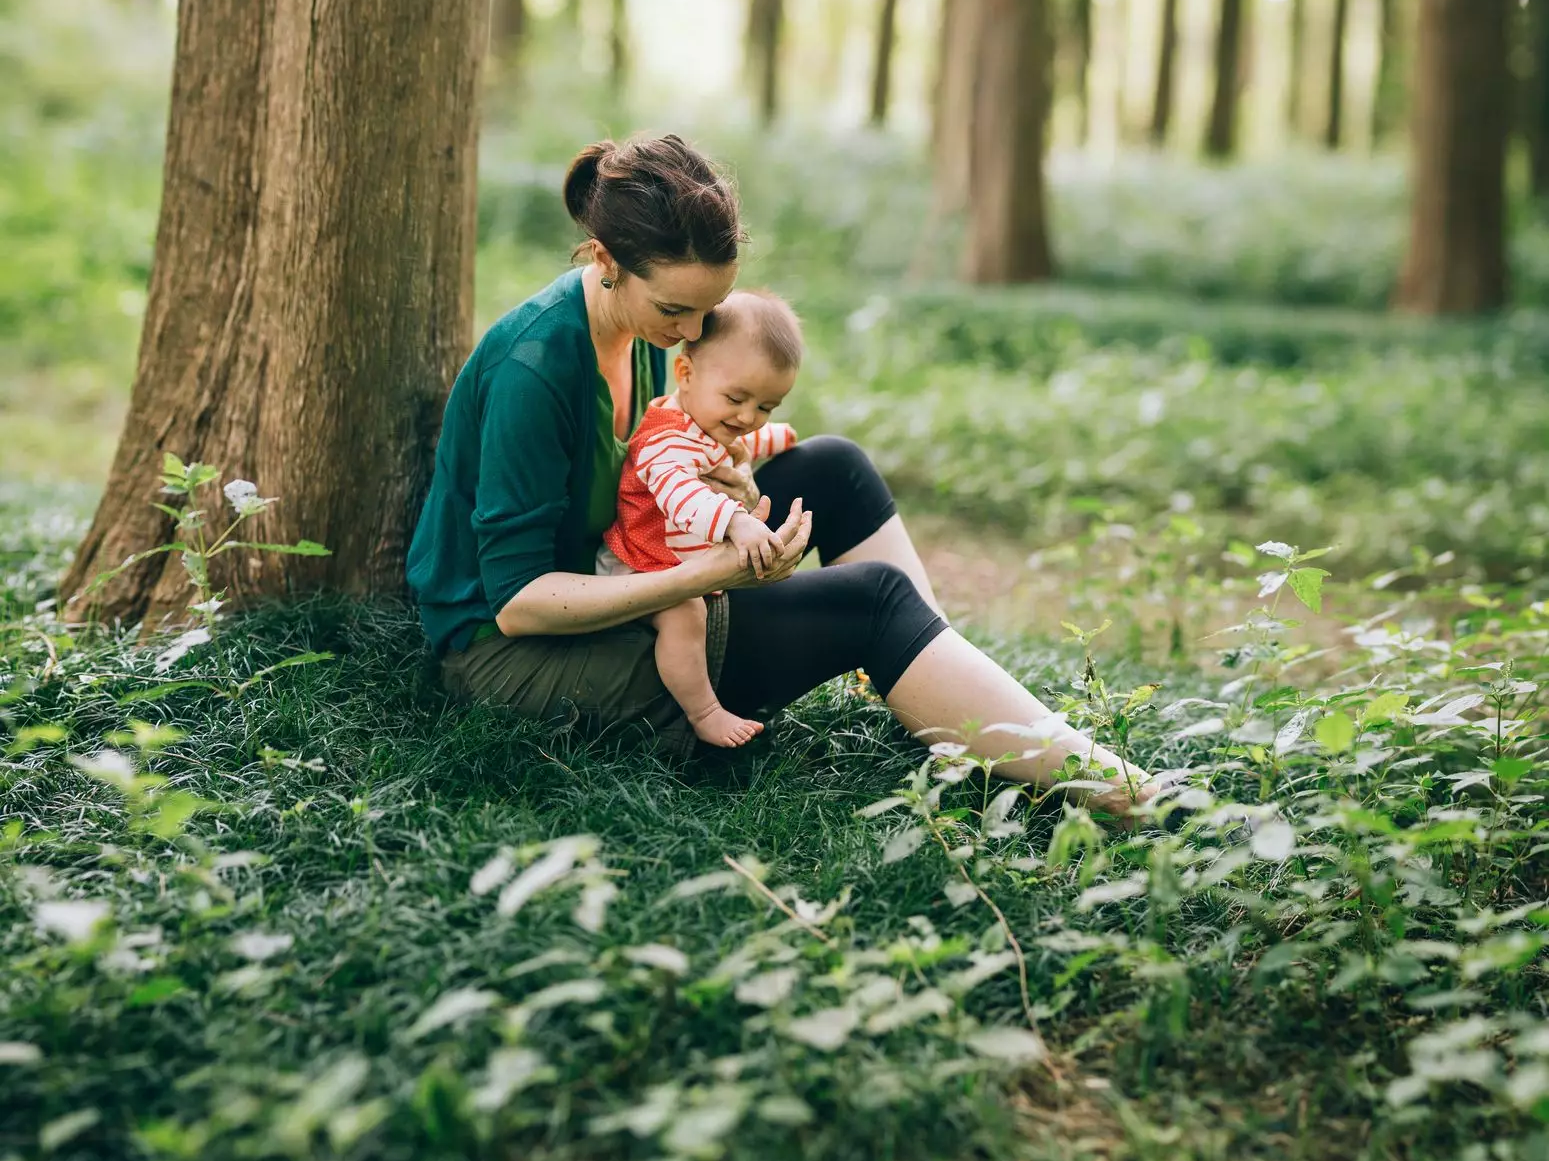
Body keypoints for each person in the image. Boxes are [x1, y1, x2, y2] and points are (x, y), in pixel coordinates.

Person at [407, 133, 1159, 816]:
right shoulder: (534, 369)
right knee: (870, 602)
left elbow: (659, 464)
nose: (694, 333)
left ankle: (938, 684)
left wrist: (727, 484)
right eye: (677, 310)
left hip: (625, 564)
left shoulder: (644, 328)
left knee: (833, 466)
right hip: (519, 658)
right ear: (605, 261)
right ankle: (1129, 797)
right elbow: (516, 605)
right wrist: (715, 571)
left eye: (706, 311)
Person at [598, 289, 803, 750]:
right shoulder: (665, 443)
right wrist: (736, 521)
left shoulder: (708, 419)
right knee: (686, 613)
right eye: (738, 398)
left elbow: (740, 443)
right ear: (686, 373)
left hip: (671, 557)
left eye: (767, 406)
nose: (749, 416)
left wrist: (779, 437)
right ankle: (703, 711)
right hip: (638, 563)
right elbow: (682, 496)